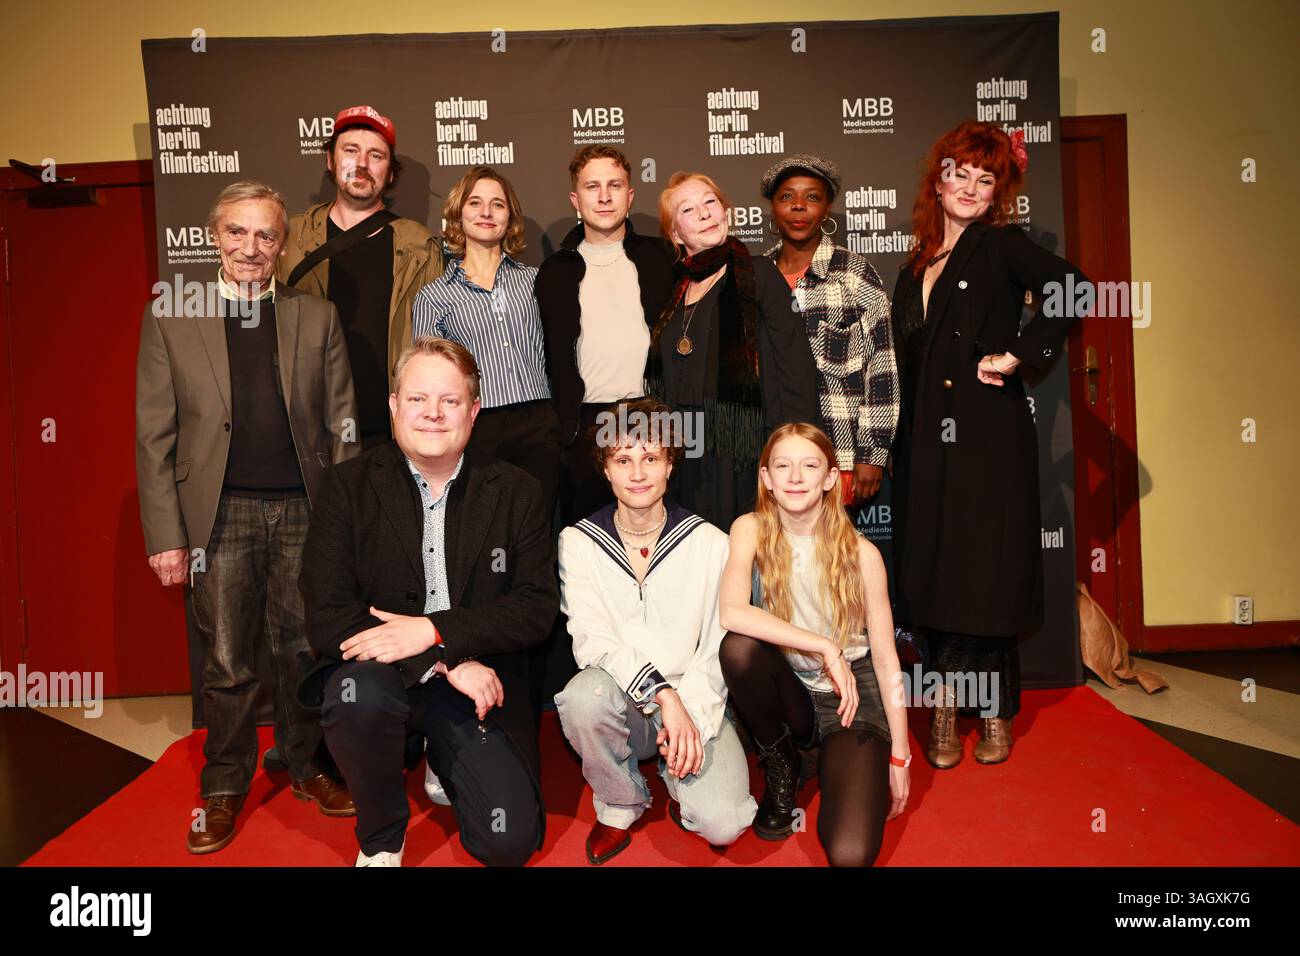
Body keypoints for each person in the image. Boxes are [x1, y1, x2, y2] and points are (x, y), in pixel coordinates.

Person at [136, 180, 360, 854]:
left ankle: (303, 764)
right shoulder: (172, 315)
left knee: (304, 652)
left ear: (282, 243)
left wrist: (345, 523)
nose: (251, 248)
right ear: (213, 236)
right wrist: (167, 536)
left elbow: (343, 422)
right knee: (229, 662)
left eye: (266, 235)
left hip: (303, 511)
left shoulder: (314, 317)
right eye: (237, 233)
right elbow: (153, 435)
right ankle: (224, 785)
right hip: (217, 518)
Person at [298, 337, 557, 867]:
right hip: (385, 677)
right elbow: (326, 613)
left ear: (474, 410)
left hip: (477, 681)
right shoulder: (346, 488)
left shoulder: (517, 491)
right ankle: (382, 836)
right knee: (353, 691)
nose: (433, 414)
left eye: (450, 401)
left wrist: (436, 630)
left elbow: (535, 608)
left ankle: (442, 750)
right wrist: (437, 657)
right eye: (417, 400)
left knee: (507, 844)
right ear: (393, 407)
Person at [890, 120, 1087, 768]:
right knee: (935, 573)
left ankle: (998, 710)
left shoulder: (1000, 247)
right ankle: (944, 706)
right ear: (938, 181)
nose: (972, 187)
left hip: (987, 441)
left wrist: (1019, 355)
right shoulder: (915, 265)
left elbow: (1073, 288)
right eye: (962, 174)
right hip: (926, 446)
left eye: (986, 178)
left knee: (988, 574)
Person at [554, 398, 757, 864]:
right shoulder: (578, 543)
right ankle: (621, 798)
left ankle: (678, 769)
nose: (638, 472)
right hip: (625, 700)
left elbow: (718, 645)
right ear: (605, 469)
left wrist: (690, 715)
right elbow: (592, 641)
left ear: (670, 465)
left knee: (723, 824)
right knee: (583, 697)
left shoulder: (712, 543)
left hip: (695, 706)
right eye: (623, 459)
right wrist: (662, 695)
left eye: (651, 458)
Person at [718, 423, 910, 867]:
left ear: (830, 478)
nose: (796, 477)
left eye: (810, 465)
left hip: (851, 696)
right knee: (739, 648)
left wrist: (900, 755)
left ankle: (828, 757)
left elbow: (885, 658)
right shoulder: (749, 529)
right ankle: (785, 759)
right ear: (766, 478)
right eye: (782, 466)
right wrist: (825, 646)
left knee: (849, 853)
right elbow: (731, 612)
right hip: (790, 687)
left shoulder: (863, 554)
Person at [412, 166, 563, 729]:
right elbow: (431, 375)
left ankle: (533, 691)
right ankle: (468, 681)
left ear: (510, 217)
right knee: (477, 556)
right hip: (476, 432)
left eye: (497, 203)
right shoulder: (434, 297)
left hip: (538, 428)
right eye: (475, 202)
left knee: (531, 555)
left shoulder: (535, 283)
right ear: (457, 215)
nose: (486, 211)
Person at [651, 172, 820, 531]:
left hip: (742, 451)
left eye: (710, 202)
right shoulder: (674, 292)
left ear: (726, 213)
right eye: (688, 208)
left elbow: (796, 366)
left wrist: (795, 449)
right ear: (675, 234)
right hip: (686, 454)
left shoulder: (757, 274)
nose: (704, 213)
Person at [279, 104, 444, 450]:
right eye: (350, 150)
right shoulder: (288, 238)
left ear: (391, 172)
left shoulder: (420, 246)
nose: (362, 164)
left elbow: (435, 339)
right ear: (330, 160)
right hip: (309, 427)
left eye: (376, 155)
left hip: (388, 430)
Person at [536, 146, 676, 526]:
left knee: (659, 535)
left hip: (653, 417)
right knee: (590, 542)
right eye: (592, 186)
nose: (603, 196)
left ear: (629, 196)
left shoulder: (664, 258)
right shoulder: (554, 271)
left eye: (614, 185)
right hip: (585, 426)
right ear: (575, 199)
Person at [760, 154, 899, 503]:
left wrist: (873, 452)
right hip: (773, 455)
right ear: (773, 208)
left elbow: (881, 367)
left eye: (812, 197)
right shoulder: (757, 277)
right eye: (787, 196)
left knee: (836, 555)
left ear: (826, 209)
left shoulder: (854, 274)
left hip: (842, 452)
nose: (798, 207)